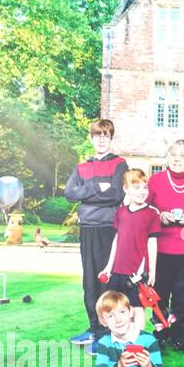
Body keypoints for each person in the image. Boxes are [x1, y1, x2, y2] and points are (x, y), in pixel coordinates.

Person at [65, 119, 128, 350]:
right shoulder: (82, 167)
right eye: (97, 135)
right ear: (91, 138)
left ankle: (108, 332)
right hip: (88, 229)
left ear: (111, 138)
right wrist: (94, 188)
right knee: (89, 281)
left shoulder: (120, 164)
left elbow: (115, 194)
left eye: (106, 135)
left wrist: (86, 194)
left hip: (108, 229)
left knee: (107, 279)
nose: (101, 139)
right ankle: (94, 327)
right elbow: (70, 193)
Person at [147, 139, 184, 353]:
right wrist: (160, 216)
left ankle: (178, 336)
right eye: (173, 155)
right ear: (168, 158)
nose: (177, 159)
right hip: (160, 247)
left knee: (180, 295)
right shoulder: (156, 180)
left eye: (182, 155)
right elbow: (146, 209)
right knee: (159, 294)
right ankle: (160, 335)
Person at [98, 168, 160, 332]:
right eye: (136, 187)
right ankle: (118, 341)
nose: (142, 191)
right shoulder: (121, 212)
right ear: (126, 189)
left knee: (137, 308)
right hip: (118, 270)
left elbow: (152, 242)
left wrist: (152, 271)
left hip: (136, 273)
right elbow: (117, 239)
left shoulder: (152, 214)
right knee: (115, 307)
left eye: (145, 187)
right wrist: (108, 267)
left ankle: (136, 344)